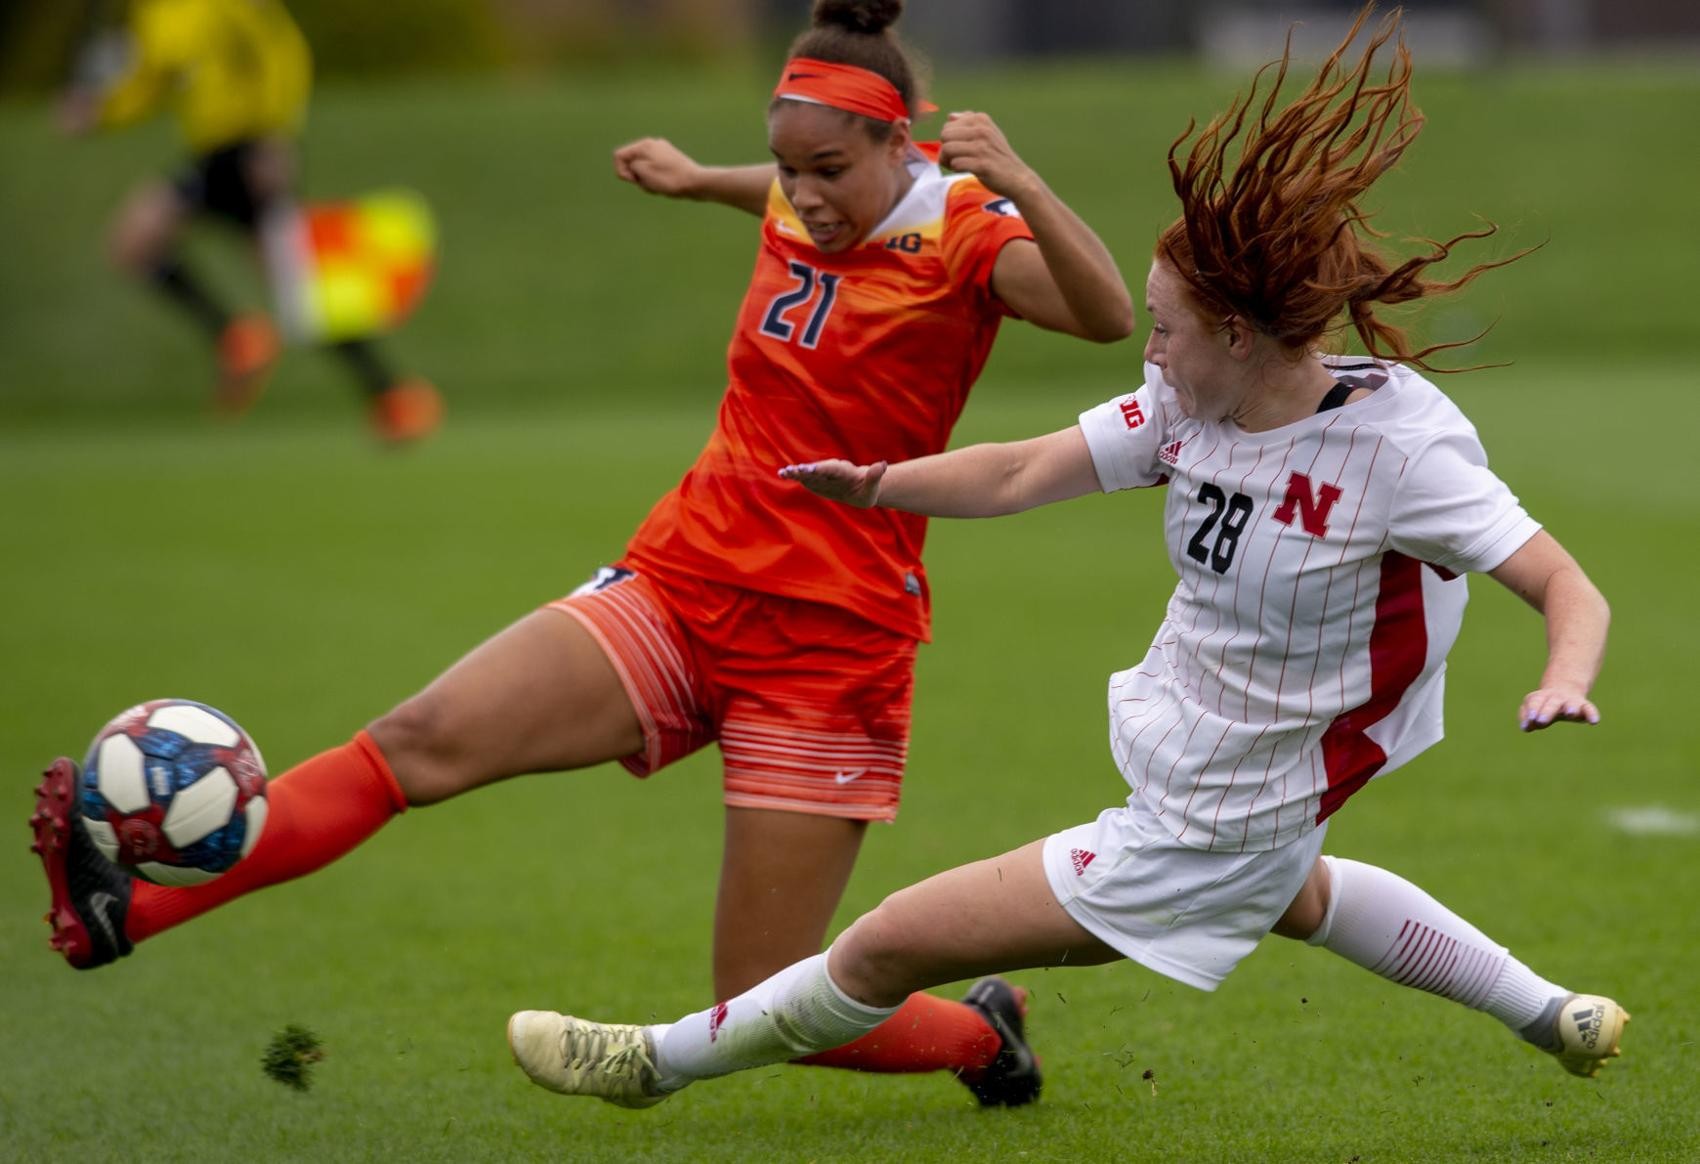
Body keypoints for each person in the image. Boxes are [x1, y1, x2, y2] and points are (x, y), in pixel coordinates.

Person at [502, 5, 1629, 1110]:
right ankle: (1549, 1014)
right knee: (1300, 895)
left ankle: (651, 1063)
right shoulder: (1193, 406)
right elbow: (1013, 471)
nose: (1148, 348)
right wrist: (877, 483)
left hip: (1215, 813)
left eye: (1164, 328)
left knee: (887, 943)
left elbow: (1559, 581)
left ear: (1238, 336)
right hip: (1229, 769)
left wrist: (1561, 678)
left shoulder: (1395, 449)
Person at [30, 0, 1134, 1108]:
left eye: (828, 169)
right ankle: (130, 912)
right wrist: (700, 177)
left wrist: (1027, 185)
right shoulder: (809, 193)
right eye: (786, 166)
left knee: (762, 995)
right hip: (684, 578)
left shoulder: (964, 227)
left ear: (904, 144)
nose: (803, 196)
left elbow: (1102, 316)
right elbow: (782, 191)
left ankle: (982, 1038)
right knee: (418, 743)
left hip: (830, 642)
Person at [56, 0, 441, 442]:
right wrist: (99, 112)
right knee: (135, 244)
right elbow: (150, 83)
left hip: (250, 152)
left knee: (299, 293)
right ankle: (241, 337)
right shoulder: (153, 13)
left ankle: (393, 395)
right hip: (210, 157)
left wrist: (275, 134)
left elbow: (280, 52)